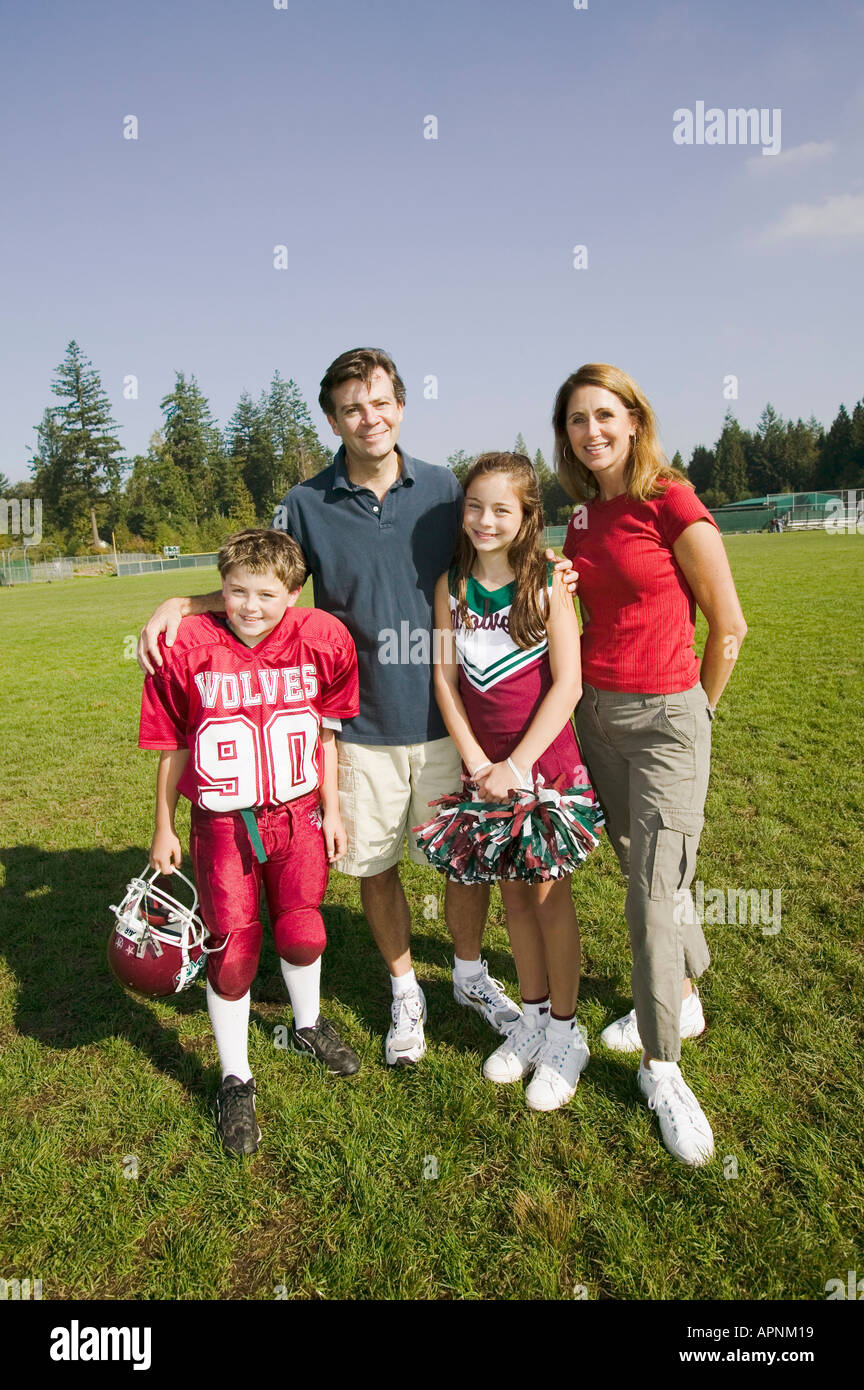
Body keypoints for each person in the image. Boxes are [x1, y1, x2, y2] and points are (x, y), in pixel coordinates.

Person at [138, 349, 577, 1066]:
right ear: (335, 420)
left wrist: (555, 565)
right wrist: (184, 602)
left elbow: (504, 541)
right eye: (350, 408)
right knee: (376, 865)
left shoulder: (444, 490)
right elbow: (263, 582)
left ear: (400, 405)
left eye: (378, 403)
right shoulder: (308, 502)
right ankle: (406, 987)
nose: (367, 418)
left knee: (463, 865)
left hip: (448, 719)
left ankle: (468, 973)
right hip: (353, 725)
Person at [552, 363, 748, 1165]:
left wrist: (695, 711)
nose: (590, 431)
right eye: (574, 420)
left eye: (604, 415)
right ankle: (687, 995)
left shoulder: (672, 499)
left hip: (669, 717)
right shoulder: (581, 518)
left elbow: (728, 625)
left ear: (634, 419)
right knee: (644, 866)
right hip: (597, 716)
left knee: (652, 894)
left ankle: (662, 1067)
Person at [139, 528, 362, 1157]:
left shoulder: (321, 637)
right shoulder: (188, 645)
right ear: (220, 591)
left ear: (294, 592)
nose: (251, 606)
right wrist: (162, 825)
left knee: (303, 929)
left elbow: (326, 734)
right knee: (233, 951)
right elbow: (173, 746)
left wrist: (333, 808)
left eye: (267, 593)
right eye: (237, 592)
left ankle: (308, 1025)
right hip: (225, 823)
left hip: (298, 816)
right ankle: (236, 1075)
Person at [428, 453, 600, 1110]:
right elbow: (445, 678)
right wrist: (476, 763)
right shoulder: (449, 586)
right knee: (513, 898)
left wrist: (518, 765)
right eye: (474, 506)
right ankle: (531, 1018)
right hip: (487, 774)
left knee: (550, 898)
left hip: (542, 768)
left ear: (528, 516)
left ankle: (566, 1031)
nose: (485, 520)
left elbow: (570, 684)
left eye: (502, 509)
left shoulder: (550, 582)